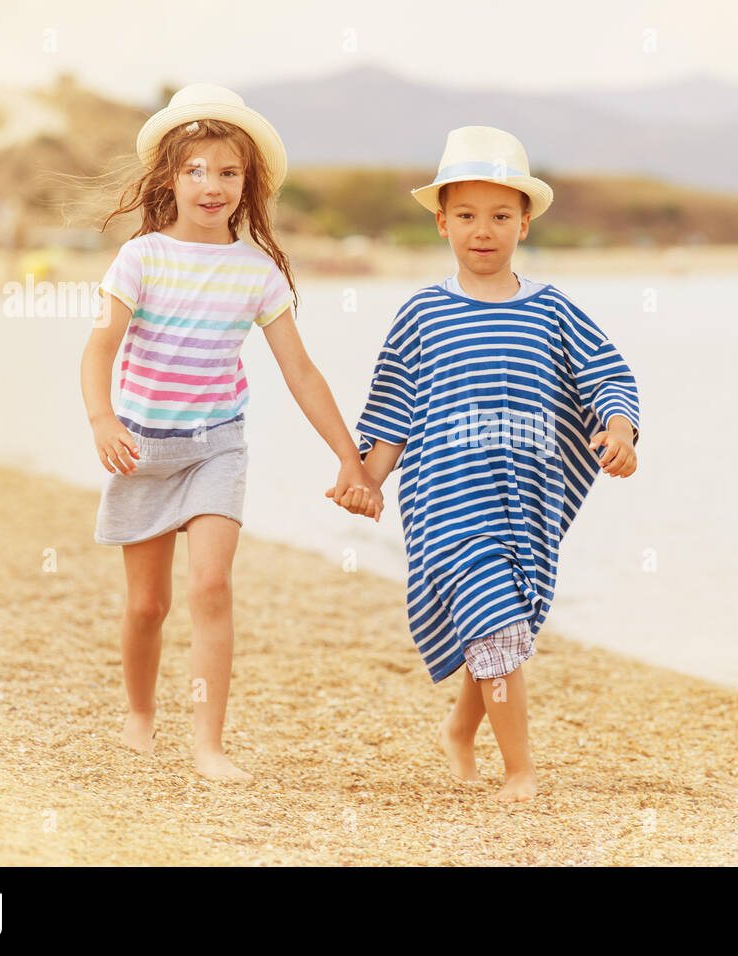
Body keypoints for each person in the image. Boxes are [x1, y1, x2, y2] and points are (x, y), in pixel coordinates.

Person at [330, 126, 641, 802]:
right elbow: (390, 412)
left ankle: (460, 731)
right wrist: (367, 480)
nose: (483, 230)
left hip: (523, 503)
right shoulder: (423, 315)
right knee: (495, 618)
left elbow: (608, 376)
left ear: (524, 223)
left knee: (500, 622)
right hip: (445, 505)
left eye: (501, 215)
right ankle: (521, 770)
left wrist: (620, 431)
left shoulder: (553, 312)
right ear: (441, 223)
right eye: (466, 215)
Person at [81, 84, 382, 782]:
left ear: (248, 186)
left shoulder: (257, 272)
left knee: (211, 588)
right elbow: (99, 349)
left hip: (217, 445)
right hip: (142, 448)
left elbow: (301, 372)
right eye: (196, 170)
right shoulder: (141, 258)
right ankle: (139, 716)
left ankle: (208, 745)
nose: (211, 185)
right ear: (169, 178)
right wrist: (102, 420)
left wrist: (351, 458)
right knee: (147, 605)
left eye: (228, 172)